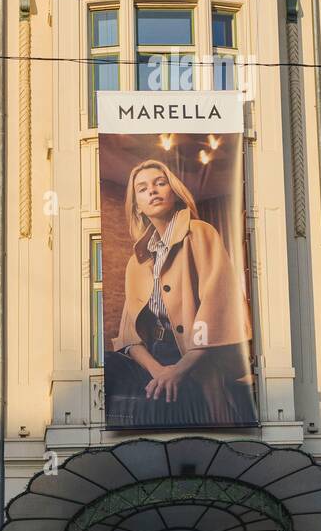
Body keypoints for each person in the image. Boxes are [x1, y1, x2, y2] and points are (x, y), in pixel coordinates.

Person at [104, 158, 255, 428]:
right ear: (137, 205)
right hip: (153, 360)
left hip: (197, 360)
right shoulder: (137, 260)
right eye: (142, 188)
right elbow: (130, 336)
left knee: (169, 416)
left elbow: (219, 312)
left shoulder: (200, 233)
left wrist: (178, 371)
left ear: (173, 191)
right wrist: (160, 372)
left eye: (160, 183)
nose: (152, 190)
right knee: (107, 366)